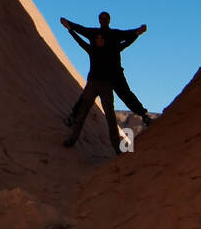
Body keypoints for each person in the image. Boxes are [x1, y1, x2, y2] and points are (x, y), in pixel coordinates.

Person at [60, 12, 151, 151]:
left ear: (109, 20)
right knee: (84, 105)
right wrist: (69, 27)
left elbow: (127, 37)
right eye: (101, 18)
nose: (100, 39)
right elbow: (81, 32)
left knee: (121, 100)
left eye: (105, 18)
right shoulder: (93, 40)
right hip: (95, 81)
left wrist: (137, 32)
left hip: (112, 78)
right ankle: (73, 128)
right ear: (99, 20)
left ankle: (141, 117)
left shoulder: (114, 38)